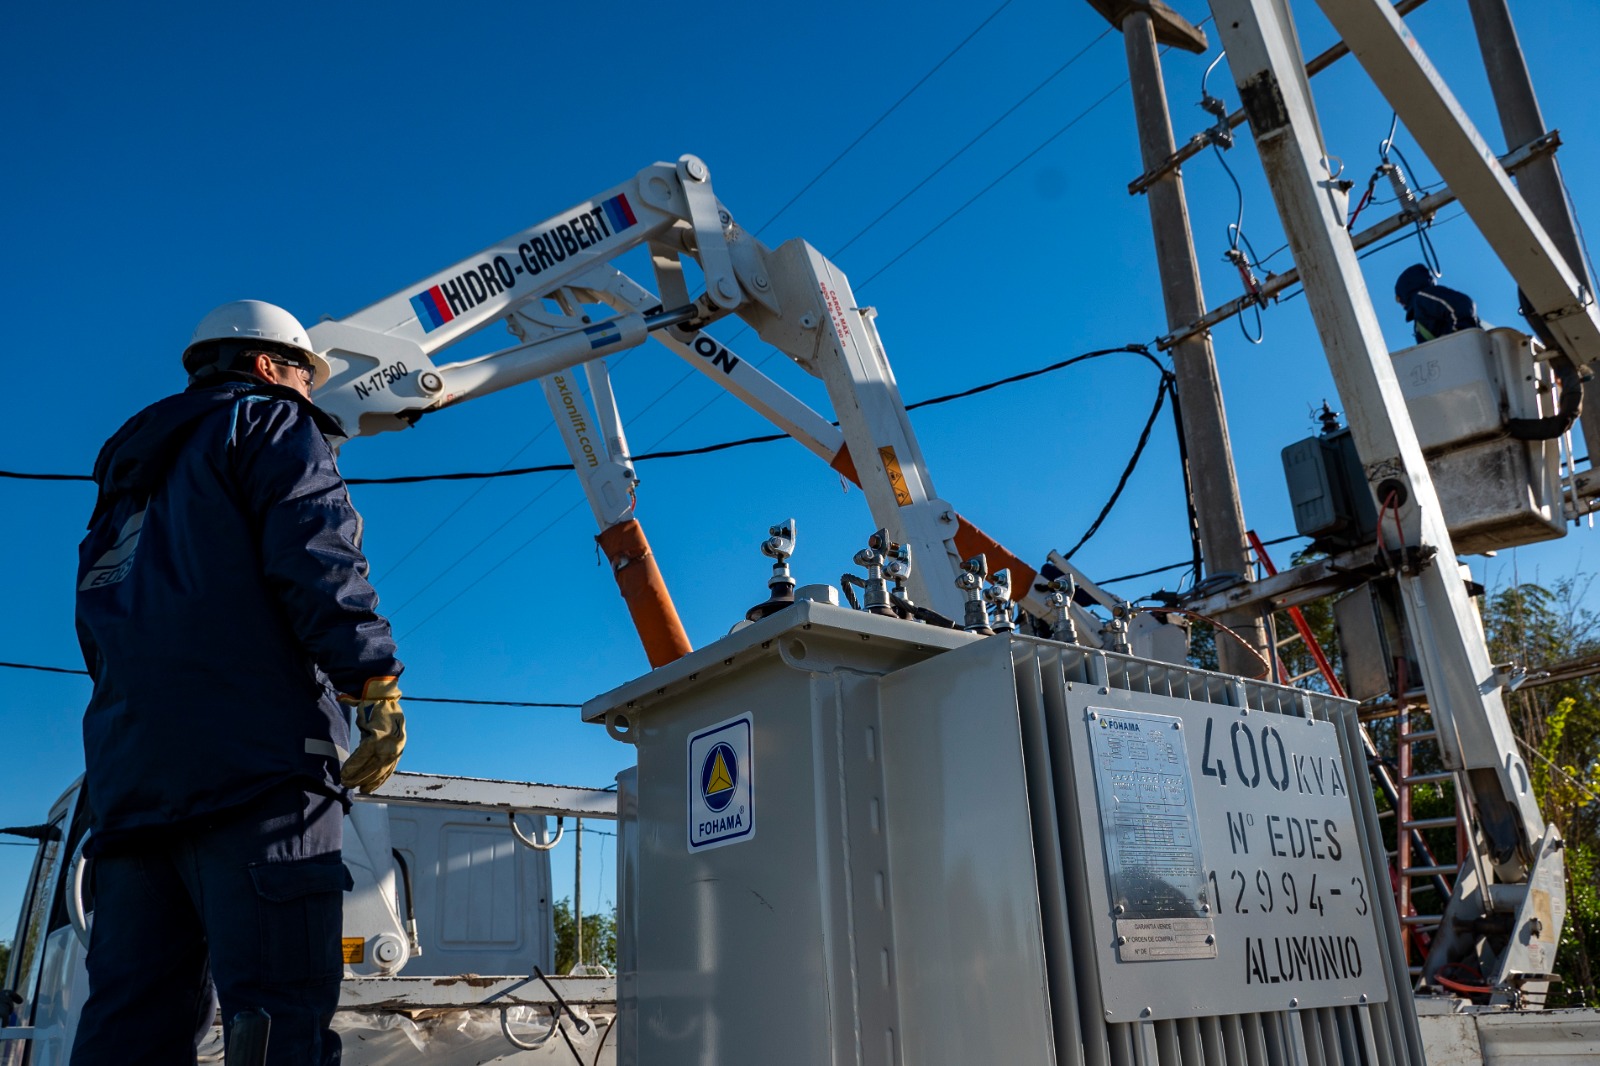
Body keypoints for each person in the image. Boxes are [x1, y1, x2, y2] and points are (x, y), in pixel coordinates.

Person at [70, 300, 407, 1065]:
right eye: (304, 378)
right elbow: (317, 552)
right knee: (275, 1016)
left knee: (129, 1025)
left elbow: (99, 633)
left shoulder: (125, 485)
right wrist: (373, 677)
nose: (313, 398)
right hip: (257, 771)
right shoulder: (270, 423)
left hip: (130, 786)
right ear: (266, 367)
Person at [1394, 263, 1480, 344]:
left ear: (1405, 293)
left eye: (1398, 298)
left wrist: (1460, 337)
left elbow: (1462, 305)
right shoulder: (1419, 317)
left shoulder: (1422, 298)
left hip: (1465, 352)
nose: (1400, 303)